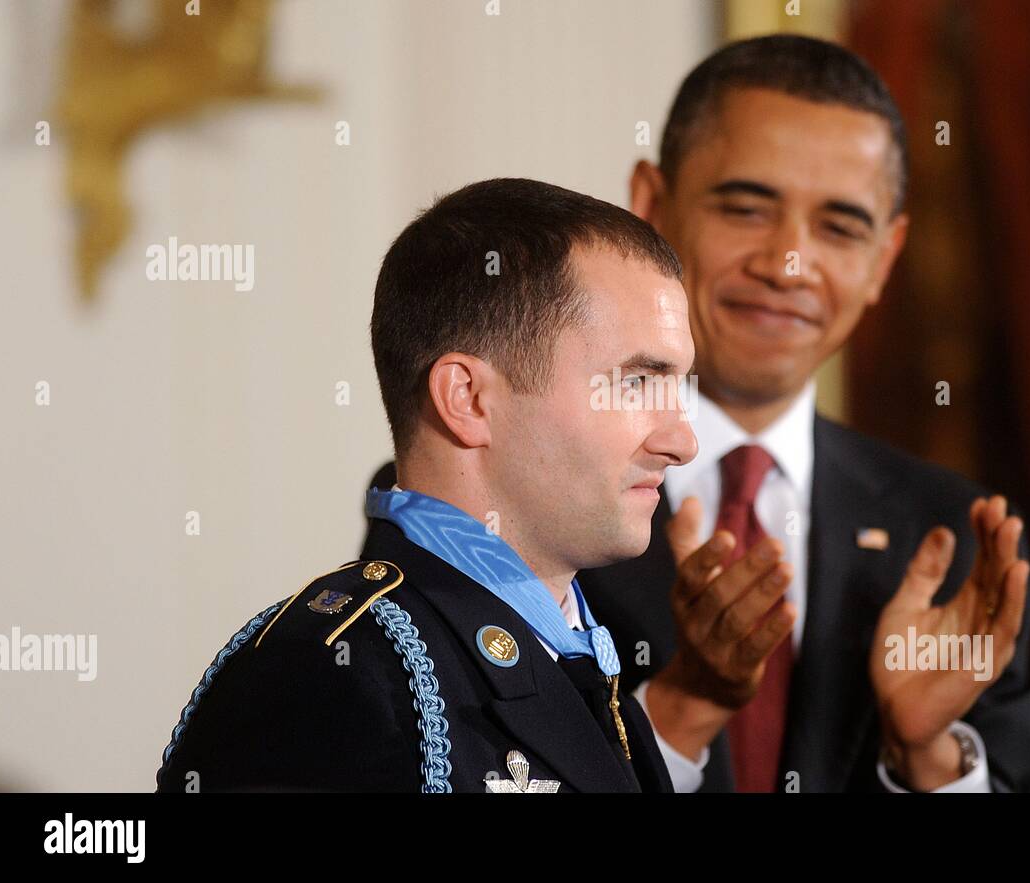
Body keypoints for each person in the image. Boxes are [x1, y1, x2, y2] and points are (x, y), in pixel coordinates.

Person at [366, 35, 1030, 793]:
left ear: (885, 259)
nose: (787, 263)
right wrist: (683, 706)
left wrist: (927, 756)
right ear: (653, 205)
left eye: (839, 226)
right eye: (746, 207)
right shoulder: (503, 492)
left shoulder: (951, 529)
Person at [157, 177, 698, 793]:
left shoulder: (579, 662)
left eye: (677, 386)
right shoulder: (338, 676)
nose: (682, 441)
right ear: (467, 399)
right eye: (635, 383)